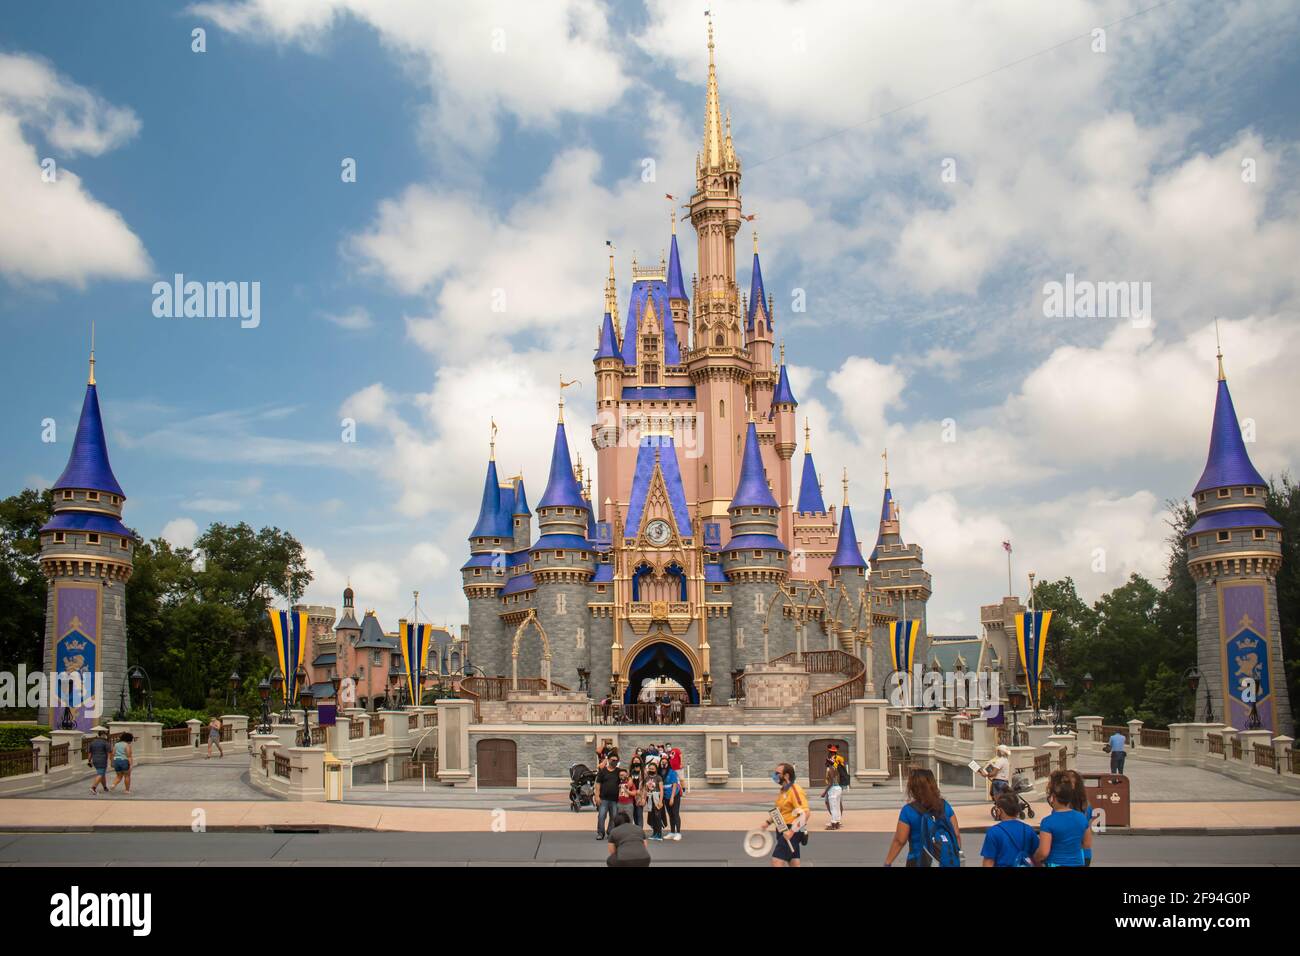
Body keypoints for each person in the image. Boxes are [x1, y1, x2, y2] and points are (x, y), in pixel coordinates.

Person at [884, 768, 962, 867]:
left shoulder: (908, 811)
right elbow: (956, 834)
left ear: (913, 788)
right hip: (946, 862)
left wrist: (888, 862)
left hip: (919, 861)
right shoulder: (945, 806)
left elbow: (900, 840)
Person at [1034, 770, 1092, 867]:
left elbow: (1043, 852)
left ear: (1053, 797)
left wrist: (1034, 858)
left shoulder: (1048, 822)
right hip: (1077, 863)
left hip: (1055, 863)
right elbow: (1087, 844)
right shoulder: (1081, 818)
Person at [761, 762, 810, 867]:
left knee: (776, 861)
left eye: (777, 773)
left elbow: (805, 813)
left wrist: (791, 832)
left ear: (786, 775)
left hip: (791, 830)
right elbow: (780, 810)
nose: (775, 776)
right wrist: (767, 822)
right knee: (794, 862)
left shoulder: (795, 790)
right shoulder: (783, 791)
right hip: (783, 829)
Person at [980, 792, 1039, 867]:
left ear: (999, 810)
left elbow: (988, 862)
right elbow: (1037, 855)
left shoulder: (994, 832)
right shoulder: (1028, 829)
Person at [1066, 769, 1096, 866]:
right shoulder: (1087, 806)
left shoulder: (1061, 808)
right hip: (1083, 853)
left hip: (1067, 854)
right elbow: (1088, 832)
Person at [595, 754, 622, 840]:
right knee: (601, 816)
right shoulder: (603, 771)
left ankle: (610, 832)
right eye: (612, 760)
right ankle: (600, 833)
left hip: (615, 799)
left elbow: (626, 778)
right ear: (608, 760)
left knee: (613, 817)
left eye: (615, 760)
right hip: (603, 799)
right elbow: (598, 784)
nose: (614, 761)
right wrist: (597, 796)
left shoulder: (619, 771)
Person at [820, 748, 844, 830]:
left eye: (826, 762)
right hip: (838, 788)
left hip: (833, 789)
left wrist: (824, 792)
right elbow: (838, 780)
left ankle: (833, 824)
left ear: (828, 763)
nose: (825, 763)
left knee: (833, 807)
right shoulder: (835, 769)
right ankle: (837, 823)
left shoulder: (830, 770)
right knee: (837, 807)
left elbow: (830, 783)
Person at [661, 756, 684, 840]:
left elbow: (674, 784)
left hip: (674, 794)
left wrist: (672, 798)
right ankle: (672, 832)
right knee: (670, 814)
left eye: (665, 762)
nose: (663, 764)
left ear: (668, 763)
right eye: (662, 762)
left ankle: (678, 833)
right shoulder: (660, 772)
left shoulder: (672, 772)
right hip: (666, 795)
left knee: (675, 813)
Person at [87, 730, 110, 795]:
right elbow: (109, 752)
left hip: (95, 760)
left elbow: (90, 752)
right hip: (102, 760)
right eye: (105, 735)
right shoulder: (105, 742)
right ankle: (93, 787)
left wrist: (89, 760)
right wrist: (110, 760)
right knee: (100, 774)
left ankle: (105, 787)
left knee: (102, 774)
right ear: (104, 735)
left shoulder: (93, 742)